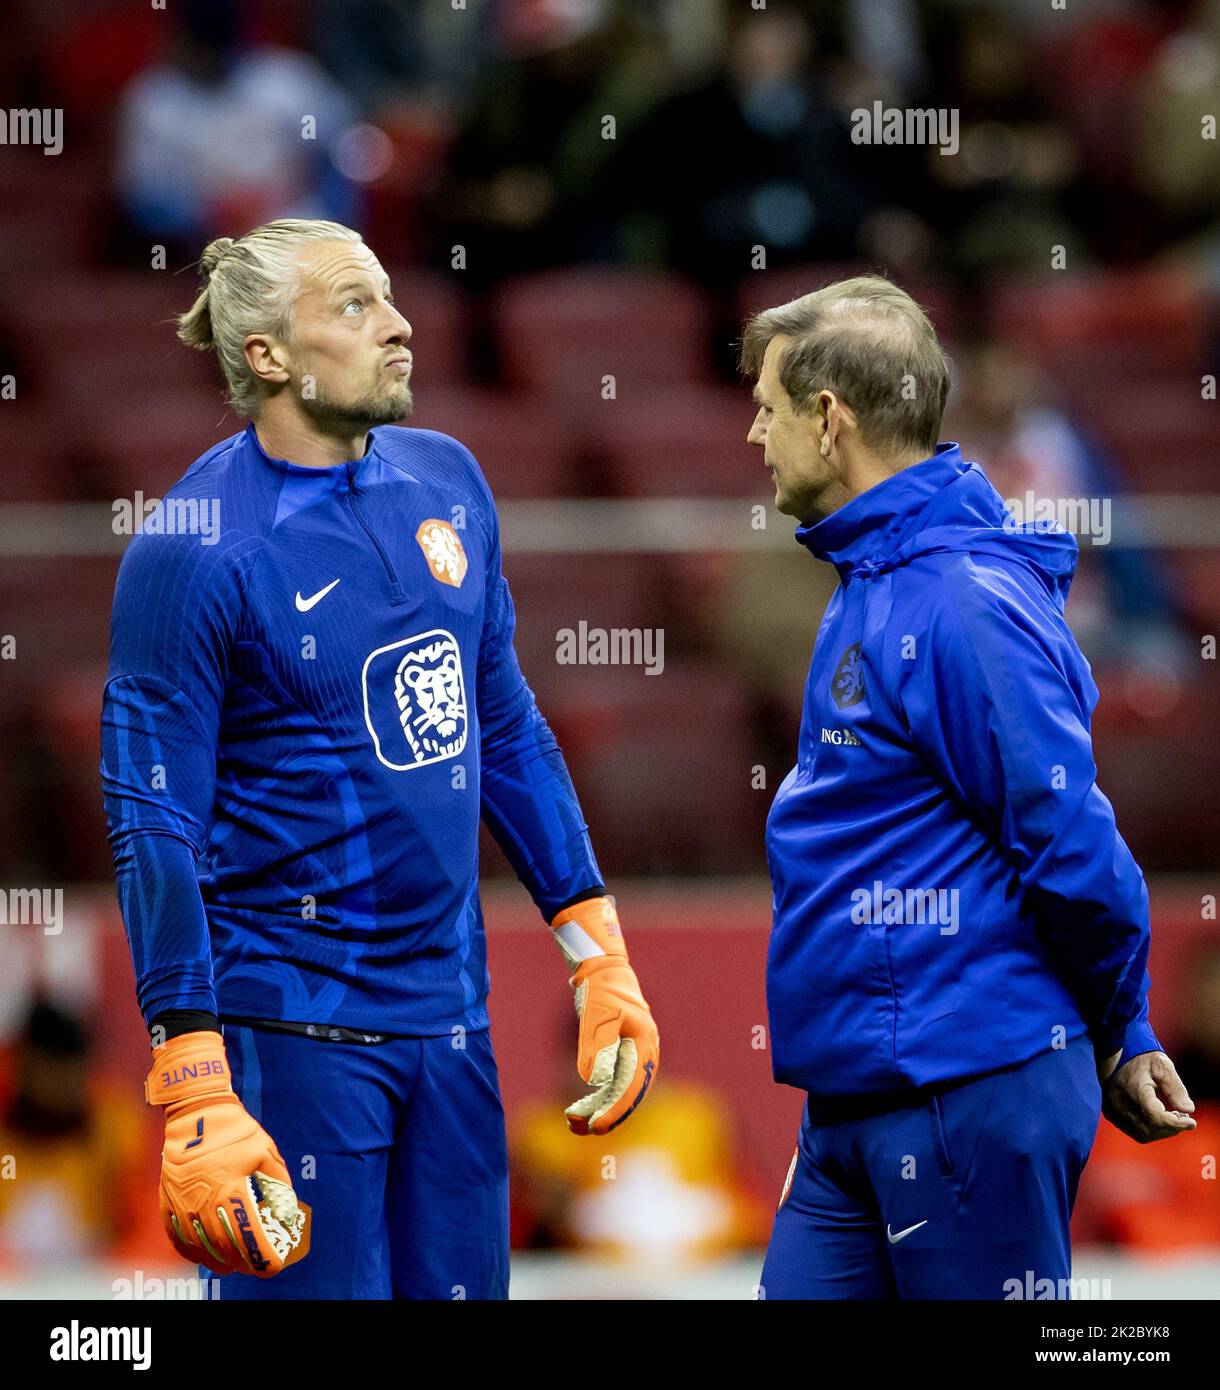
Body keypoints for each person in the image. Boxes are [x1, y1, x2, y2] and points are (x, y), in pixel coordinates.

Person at [99, 218, 658, 1300]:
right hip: (291, 1037)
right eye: (354, 307)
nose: (401, 326)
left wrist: (597, 952)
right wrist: (192, 1076)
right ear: (266, 354)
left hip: (453, 1024)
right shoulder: (193, 548)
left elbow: (502, 722)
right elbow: (149, 817)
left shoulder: (448, 481)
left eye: (390, 297)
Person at [738, 275, 1195, 1300]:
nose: (753, 433)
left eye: (767, 407)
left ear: (827, 417)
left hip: (965, 1083)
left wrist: (1120, 1025)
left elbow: (1069, 840)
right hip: (855, 1093)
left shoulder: (959, 602)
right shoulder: (873, 585)